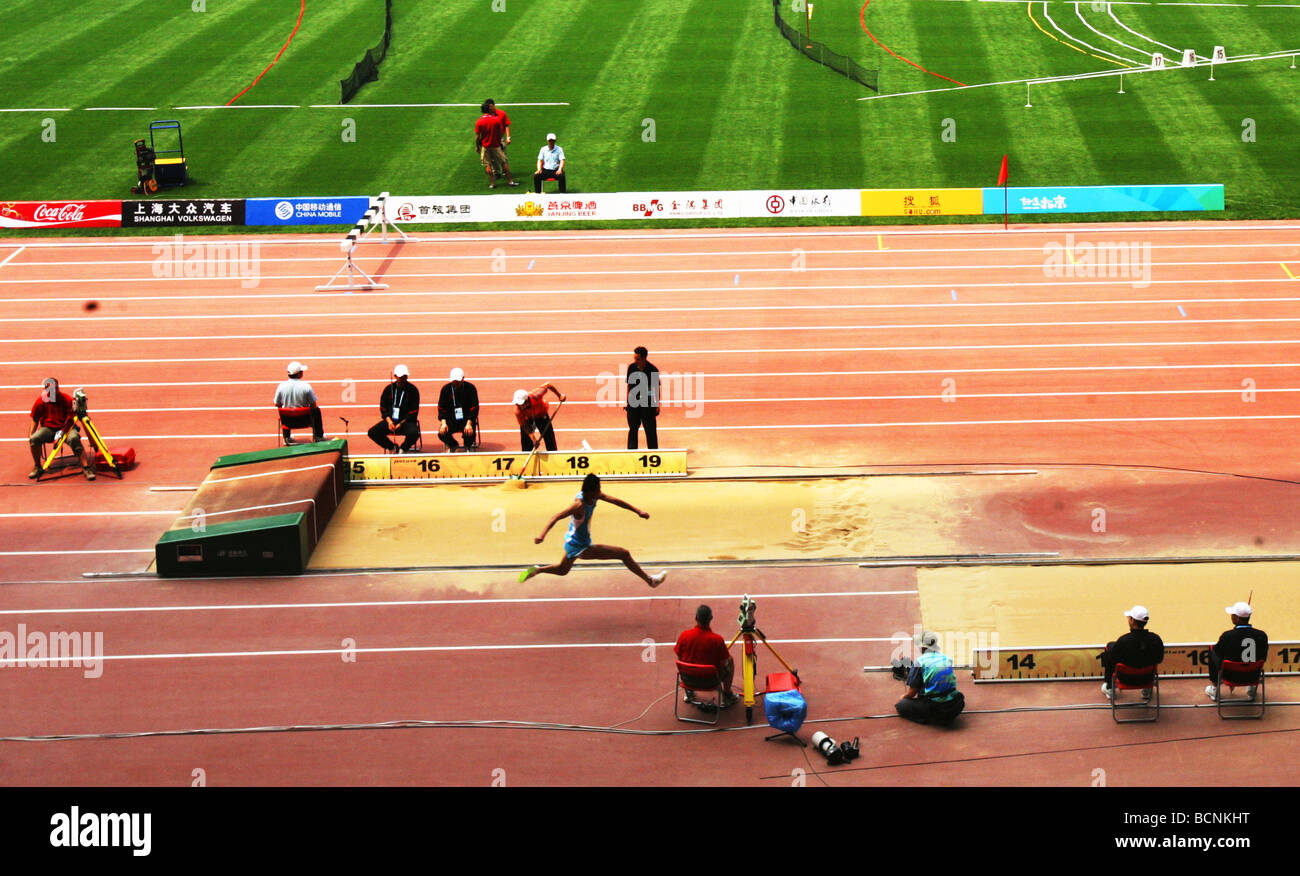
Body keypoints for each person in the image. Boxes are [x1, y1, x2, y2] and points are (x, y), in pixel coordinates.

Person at [520, 473, 667, 588]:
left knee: (563, 570)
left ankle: (537, 570)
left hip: (572, 542)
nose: (601, 492)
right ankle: (650, 581)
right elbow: (555, 517)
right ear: (591, 491)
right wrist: (541, 536)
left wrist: (637, 511)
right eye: (598, 489)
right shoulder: (579, 505)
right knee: (624, 554)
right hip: (580, 546)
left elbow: (616, 501)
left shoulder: (593, 496)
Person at [28, 377, 96, 481]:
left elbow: (71, 420)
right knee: (34, 439)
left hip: (66, 428)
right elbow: (34, 419)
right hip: (48, 429)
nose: (54, 391)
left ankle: (86, 468)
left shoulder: (67, 400)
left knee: (74, 438)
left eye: (56, 388)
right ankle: (37, 466)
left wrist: (60, 435)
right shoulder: (41, 401)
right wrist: (31, 435)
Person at [675, 605, 739, 708]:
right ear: (711, 618)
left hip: (688, 679)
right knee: (730, 660)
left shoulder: (684, 636)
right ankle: (727, 694)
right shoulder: (717, 640)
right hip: (711, 681)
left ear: (696, 618)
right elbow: (723, 663)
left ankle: (689, 692)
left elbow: (679, 656)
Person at [895, 631, 965, 725]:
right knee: (956, 695)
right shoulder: (946, 658)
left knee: (901, 706)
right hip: (955, 705)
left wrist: (903, 697)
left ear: (922, 647)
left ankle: (930, 719)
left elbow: (912, 693)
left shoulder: (919, 662)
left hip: (936, 708)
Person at [1206, 601, 1268, 701]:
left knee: (1212, 650)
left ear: (1237, 618)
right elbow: (1263, 657)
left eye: (1232, 615)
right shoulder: (1262, 635)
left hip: (1230, 676)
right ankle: (1251, 688)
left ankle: (1214, 688)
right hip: (1253, 676)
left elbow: (1219, 654)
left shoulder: (1227, 636)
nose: (1231, 616)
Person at [1099, 605, 1164, 700]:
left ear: (1132, 621)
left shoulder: (1123, 641)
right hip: (1147, 679)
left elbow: (1113, 658)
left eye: (1129, 618)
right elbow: (1159, 659)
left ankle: (1109, 687)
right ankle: (1147, 689)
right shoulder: (1156, 640)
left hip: (1125, 679)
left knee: (1109, 649)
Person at [366, 364, 420, 453]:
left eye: (405, 376)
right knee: (372, 432)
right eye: (401, 377)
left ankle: (403, 449)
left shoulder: (413, 390)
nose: (403, 379)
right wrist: (389, 421)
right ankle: (392, 447)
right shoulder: (388, 389)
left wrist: (401, 423)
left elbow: (414, 411)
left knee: (414, 433)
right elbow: (383, 408)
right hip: (391, 421)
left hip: (406, 421)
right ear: (395, 376)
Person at [274, 361, 325, 444]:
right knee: (316, 411)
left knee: (283, 411)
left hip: (288, 421)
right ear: (299, 374)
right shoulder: (306, 386)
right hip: (305, 420)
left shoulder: (281, 386)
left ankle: (286, 437)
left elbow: (277, 404)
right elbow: (313, 405)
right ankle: (318, 436)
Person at [474, 100, 517, 189]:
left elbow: (478, 136)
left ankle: (493, 183)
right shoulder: (496, 120)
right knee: (504, 162)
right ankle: (510, 181)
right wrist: (498, 140)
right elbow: (501, 132)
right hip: (496, 145)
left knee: (488, 164)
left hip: (485, 146)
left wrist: (477, 146)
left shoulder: (479, 121)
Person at [438, 367, 479, 452]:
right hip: (451, 419)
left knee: (470, 432)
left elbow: (475, 407)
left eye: (458, 381)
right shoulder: (446, 389)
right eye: (454, 381)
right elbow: (441, 408)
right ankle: (453, 445)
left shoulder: (470, 388)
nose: (456, 383)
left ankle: (467, 445)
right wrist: (443, 423)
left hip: (466, 418)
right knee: (442, 433)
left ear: (463, 379)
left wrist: (469, 423)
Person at [625, 345, 659, 450]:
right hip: (633, 405)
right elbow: (629, 386)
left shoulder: (653, 370)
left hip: (647, 406)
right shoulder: (631, 368)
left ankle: (653, 453)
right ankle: (631, 454)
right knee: (633, 431)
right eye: (635, 358)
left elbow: (655, 389)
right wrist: (628, 402)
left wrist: (656, 405)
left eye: (638, 359)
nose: (635, 361)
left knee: (651, 432)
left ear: (644, 358)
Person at [514, 383, 564, 452]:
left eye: (521, 404)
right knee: (526, 441)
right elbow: (524, 425)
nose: (518, 406)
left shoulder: (536, 396)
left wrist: (559, 395)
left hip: (542, 415)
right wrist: (534, 439)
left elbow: (548, 385)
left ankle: (553, 455)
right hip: (528, 418)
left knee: (549, 438)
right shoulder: (518, 411)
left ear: (527, 401)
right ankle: (526, 455)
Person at [487, 99, 512, 178]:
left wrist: (508, 137)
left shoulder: (501, 113)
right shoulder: (486, 115)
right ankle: (496, 172)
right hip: (490, 139)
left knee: (503, 155)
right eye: (489, 107)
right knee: (492, 157)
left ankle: (505, 170)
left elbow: (506, 125)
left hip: (500, 138)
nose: (490, 108)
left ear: (494, 105)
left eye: (491, 106)